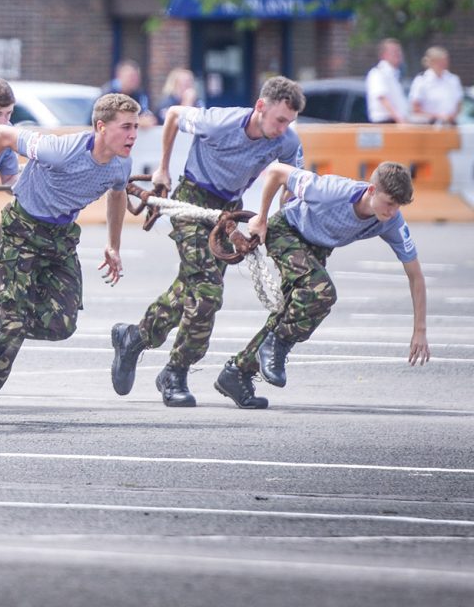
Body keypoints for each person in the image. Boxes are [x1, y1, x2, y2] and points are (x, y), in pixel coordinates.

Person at [110, 76, 306, 407]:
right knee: (206, 293)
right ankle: (175, 373)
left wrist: (273, 215)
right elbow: (172, 114)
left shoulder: (285, 141)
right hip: (193, 201)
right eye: (280, 119)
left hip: (227, 213)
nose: (284, 128)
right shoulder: (219, 122)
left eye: (290, 122)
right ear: (261, 107)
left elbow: (292, 179)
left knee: (190, 290)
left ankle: (134, 337)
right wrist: (162, 169)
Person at [0, 93, 138, 425]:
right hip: (23, 231)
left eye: (136, 127)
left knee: (61, 326)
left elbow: (117, 192)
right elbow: (0, 135)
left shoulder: (120, 163)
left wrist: (114, 245)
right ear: (101, 127)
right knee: (12, 324)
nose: (133, 135)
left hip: (61, 239)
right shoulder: (60, 151)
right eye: (125, 127)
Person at [215, 161, 429, 409]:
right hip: (287, 231)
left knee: (293, 312)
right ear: (371, 190)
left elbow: (416, 275)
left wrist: (420, 331)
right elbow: (276, 172)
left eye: (398, 206)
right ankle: (277, 344)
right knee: (322, 292)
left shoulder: (391, 222)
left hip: (317, 247)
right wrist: (261, 218)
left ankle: (236, 373)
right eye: (389, 203)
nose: (392, 212)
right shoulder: (332, 189)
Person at [408, 46, 464, 126]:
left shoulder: (453, 79)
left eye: (445, 60)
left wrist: (451, 116)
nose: (443, 64)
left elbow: (459, 104)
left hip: (450, 124)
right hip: (429, 125)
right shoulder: (422, 80)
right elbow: (415, 107)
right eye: (440, 61)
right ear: (432, 62)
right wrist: (437, 116)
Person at [100, 59, 157, 127]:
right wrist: (136, 121)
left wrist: (148, 119)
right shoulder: (109, 93)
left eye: (136, 77)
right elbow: (107, 118)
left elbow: (146, 115)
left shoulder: (139, 95)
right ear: (119, 77)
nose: (134, 80)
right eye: (131, 77)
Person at [365, 38, 409, 124]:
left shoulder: (394, 75)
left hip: (397, 122)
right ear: (384, 55)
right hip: (385, 123)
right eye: (394, 51)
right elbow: (382, 98)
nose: (398, 54)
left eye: (399, 51)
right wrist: (400, 119)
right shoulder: (377, 73)